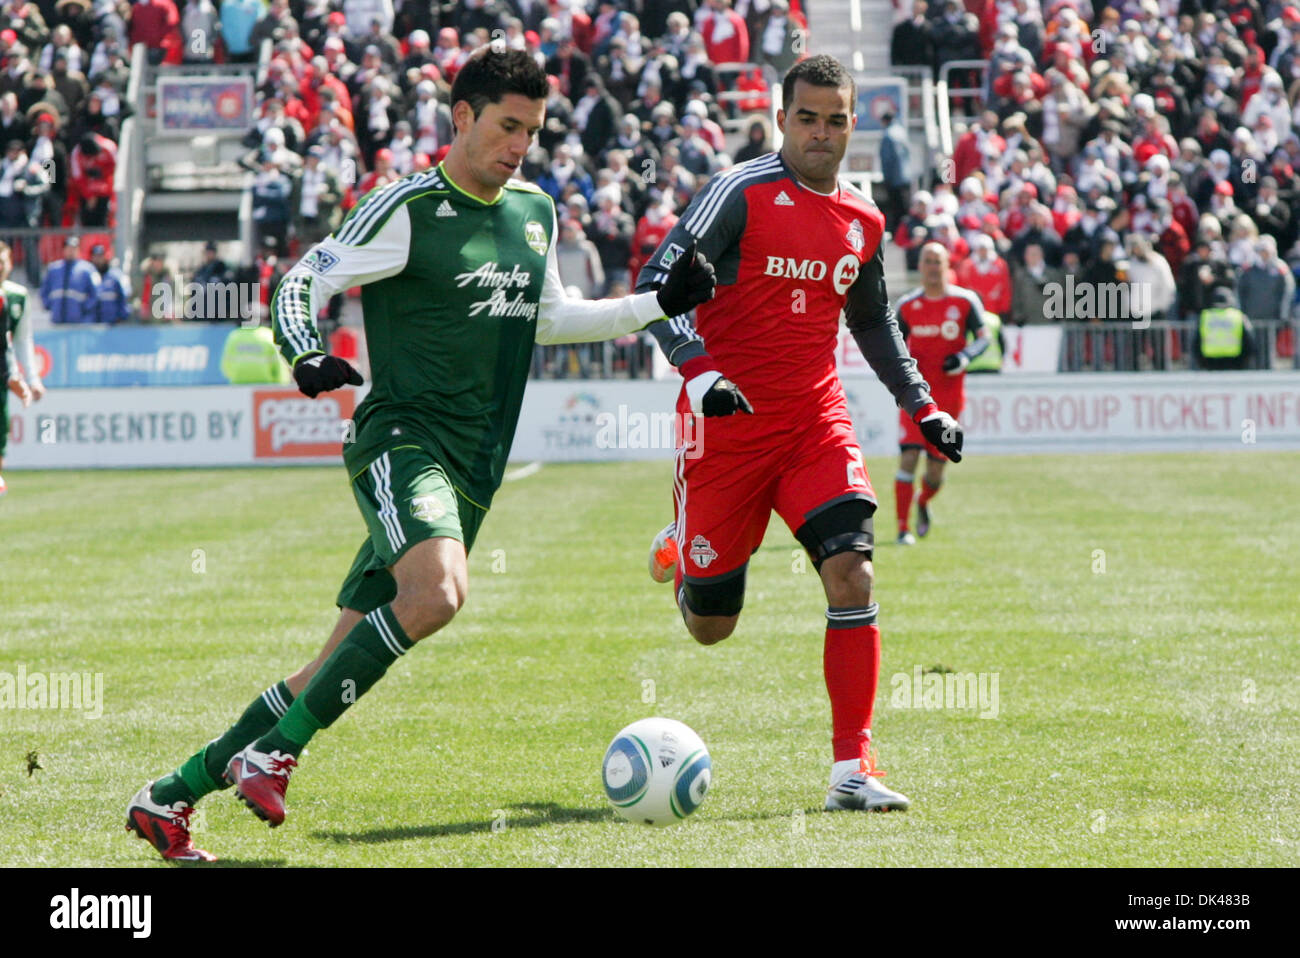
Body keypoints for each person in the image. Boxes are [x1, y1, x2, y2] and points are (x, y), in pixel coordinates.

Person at [124, 45, 717, 862]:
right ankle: (272, 756)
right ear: (462, 116)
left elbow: (552, 318)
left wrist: (658, 304)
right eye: (507, 126)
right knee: (438, 593)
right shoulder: (407, 207)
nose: (519, 146)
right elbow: (304, 279)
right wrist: (302, 352)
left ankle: (169, 797)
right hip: (401, 441)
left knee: (326, 668)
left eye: (532, 133)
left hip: (472, 472)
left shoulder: (534, 212)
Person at [636, 56, 965, 813]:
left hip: (816, 424)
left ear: (855, 123)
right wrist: (698, 370)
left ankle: (852, 768)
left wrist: (923, 406)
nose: (821, 132)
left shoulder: (865, 220)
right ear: (782, 119)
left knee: (854, 575)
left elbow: (874, 320)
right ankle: (683, 548)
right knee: (711, 626)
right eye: (807, 117)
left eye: (836, 119)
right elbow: (657, 288)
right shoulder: (738, 193)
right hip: (724, 431)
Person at [893, 243, 988, 545]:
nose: (933, 267)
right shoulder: (907, 306)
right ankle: (902, 529)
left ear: (948, 266)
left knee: (935, 471)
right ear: (920, 266)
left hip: (949, 399)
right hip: (916, 398)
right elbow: (892, 346)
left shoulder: (964, 301)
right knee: (908, 457)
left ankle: (923, 501)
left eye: (938, 261)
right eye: (928, 261)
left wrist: (963, 357)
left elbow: (985, 337)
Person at [0, 240, 41, 496]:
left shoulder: (14, 297)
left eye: (2, 262)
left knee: (2, 426)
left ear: (10, 264)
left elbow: (19, 340)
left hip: (2, 374)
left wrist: (28, 377)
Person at [41, 236, 100, 323]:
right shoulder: (54, 269)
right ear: (64, 250)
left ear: (78, 250)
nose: (71, 251)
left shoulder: (87, 269)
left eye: (74, 249)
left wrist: (85, 308)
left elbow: (96, 293)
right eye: (68, 248)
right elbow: (44, 291)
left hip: (79, 321)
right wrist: (49, 305)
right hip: (57, 319)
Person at [88, 243, 130, 324]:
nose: (98, 260)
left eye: (100, 256)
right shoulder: (88, 276)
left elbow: (125, 296)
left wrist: (121, 316)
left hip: (113, 325)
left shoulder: (116, 275)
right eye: (95, 256)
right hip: (93, 325)